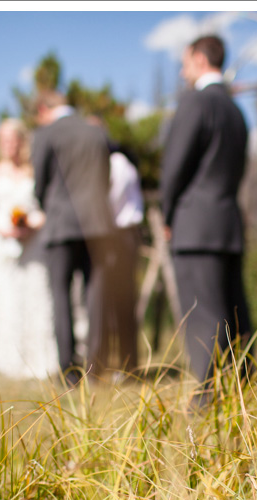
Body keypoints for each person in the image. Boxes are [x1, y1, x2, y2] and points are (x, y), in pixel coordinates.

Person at [160, 34, 255, 407]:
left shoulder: (196, 103)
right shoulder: (236, 110)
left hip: (195, 224)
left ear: (200, 59)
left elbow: (174, 168)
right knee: (235, 313)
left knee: (204, 316)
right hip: (228, 221)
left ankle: (206, 402)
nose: (182, 71)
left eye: (184, 63)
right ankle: (246, 394)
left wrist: (168, 214)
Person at [32, 91, 119, 385]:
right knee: (94, 294)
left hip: (61, 224)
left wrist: (49, 207)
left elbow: (40, 182)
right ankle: (95, 367)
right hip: (97, 223)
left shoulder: (47, 133)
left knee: (61, 294)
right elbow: (106, 176)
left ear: (44, 108)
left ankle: (69, 370)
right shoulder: (96, 132)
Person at [0, 118, 59, 380]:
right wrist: (4, 230)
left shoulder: (34, 170)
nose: (9, 145)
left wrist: (33, 226)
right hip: (2, 246)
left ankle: (40, 362)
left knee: (36, 296)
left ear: (22, 141)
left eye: (13, 139)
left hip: (33, 244)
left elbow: (48, 206)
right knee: (7, 300)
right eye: (4, 140)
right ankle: (10, 361)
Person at [105, 146, 143, 376]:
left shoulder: (117, 162)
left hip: (120, 235)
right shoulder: (121, 162)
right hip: (122, 235)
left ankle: (127, 366)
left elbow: (112, 199)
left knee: (121, 304)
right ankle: (127, 364)